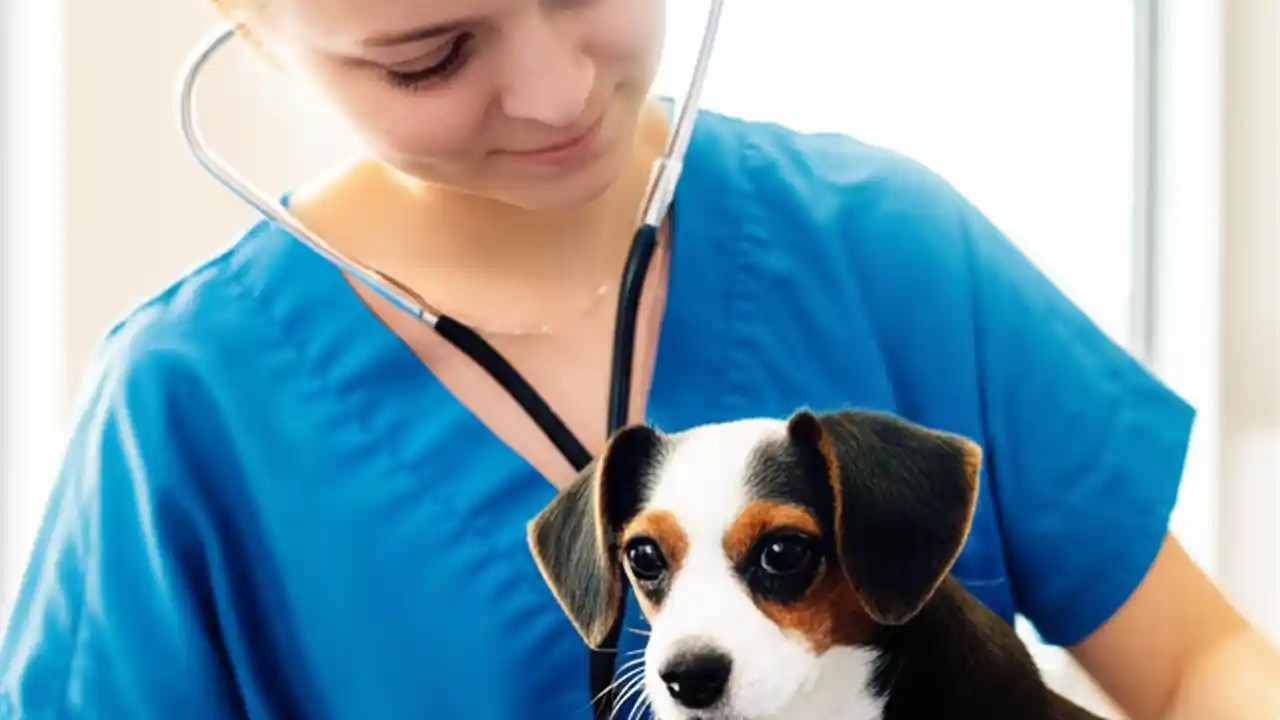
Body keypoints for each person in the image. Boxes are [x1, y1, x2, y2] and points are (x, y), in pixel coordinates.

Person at [2, 1, 1278, 718]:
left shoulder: (884, 246)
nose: (557, 92)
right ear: (251, 26)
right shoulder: (184, 416)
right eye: (430, 54)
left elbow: (1194, 667)